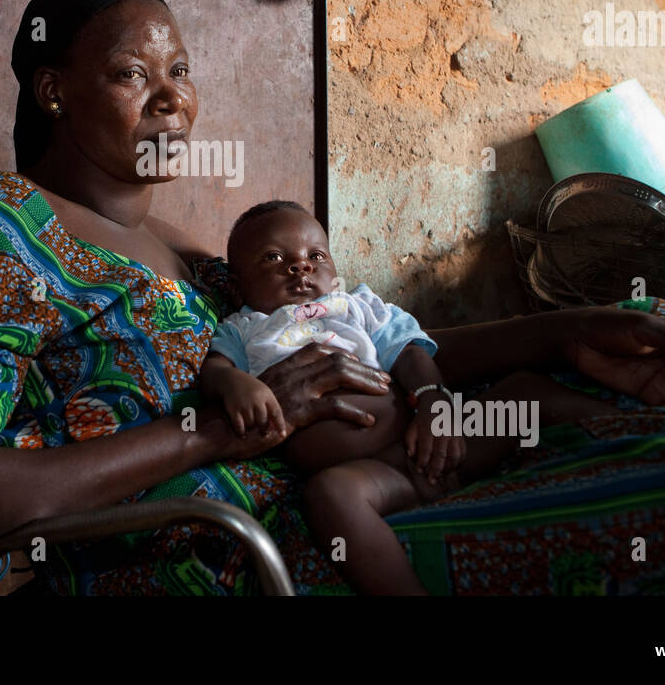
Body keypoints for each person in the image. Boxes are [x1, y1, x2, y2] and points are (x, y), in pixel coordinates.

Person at [0, 0, 665, 595]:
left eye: (181, 69)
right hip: (240, 558)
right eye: (134, 73)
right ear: (54, 90)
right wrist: (209, 429)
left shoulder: (183, 247)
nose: (173, 96)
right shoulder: (2, 229)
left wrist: (569, 329)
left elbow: (366, 351)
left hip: (350, 486)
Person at [203, 199, 621, 594]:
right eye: (273, 258)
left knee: (524, 394)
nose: (300, 266)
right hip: (379, 476)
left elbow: (408, 347)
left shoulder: (355, 305)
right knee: (329, 496)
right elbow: (216, 369)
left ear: (333, 272)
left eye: (317, 256)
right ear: (239, 288)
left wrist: (433, 402)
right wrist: (237, 384)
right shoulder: (245, 328)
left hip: (432, 441)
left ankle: (629, 431)